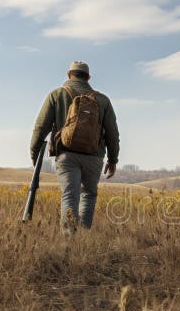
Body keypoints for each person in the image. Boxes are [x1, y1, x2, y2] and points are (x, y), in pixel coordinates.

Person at [29, 61, 119, 233]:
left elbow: (40, 127)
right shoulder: (103, 100)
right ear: (89, 78)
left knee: (70, 195)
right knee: (89, 195)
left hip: (66, 155)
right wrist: (113, 159)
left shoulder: (56, 95)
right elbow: (113, 132)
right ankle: (83, 238)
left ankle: (70, 240)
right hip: (94, 156)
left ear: (69, 74)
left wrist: (34, 153)